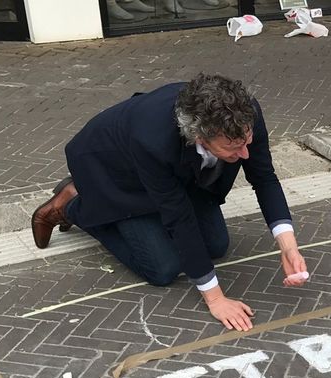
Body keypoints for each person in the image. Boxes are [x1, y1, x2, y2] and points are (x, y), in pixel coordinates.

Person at [30, 73, 308, 331]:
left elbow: (264, 177)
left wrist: (287, 246)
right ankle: (72, 203)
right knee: (162, 269)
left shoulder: (245, 113)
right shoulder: (153, 141)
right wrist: (216, 300)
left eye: (246, 140)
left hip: (177, 170)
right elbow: (178, 216)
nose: (245, 153)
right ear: (200, 137)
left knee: (216, 246)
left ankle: (129, 216)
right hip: (113, 171)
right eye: (233, 148)